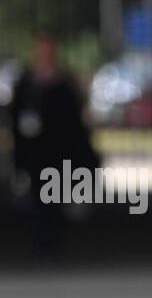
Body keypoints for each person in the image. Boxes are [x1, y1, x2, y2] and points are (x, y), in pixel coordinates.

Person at [10, 32, 98, 257]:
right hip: (35, 151)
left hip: (61, 148)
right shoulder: (26, 81)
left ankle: (56, 240)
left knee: (57, 194)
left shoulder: (65, 81)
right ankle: (41, 241)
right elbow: (14, 114)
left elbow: (77, 116)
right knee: (37, 196)